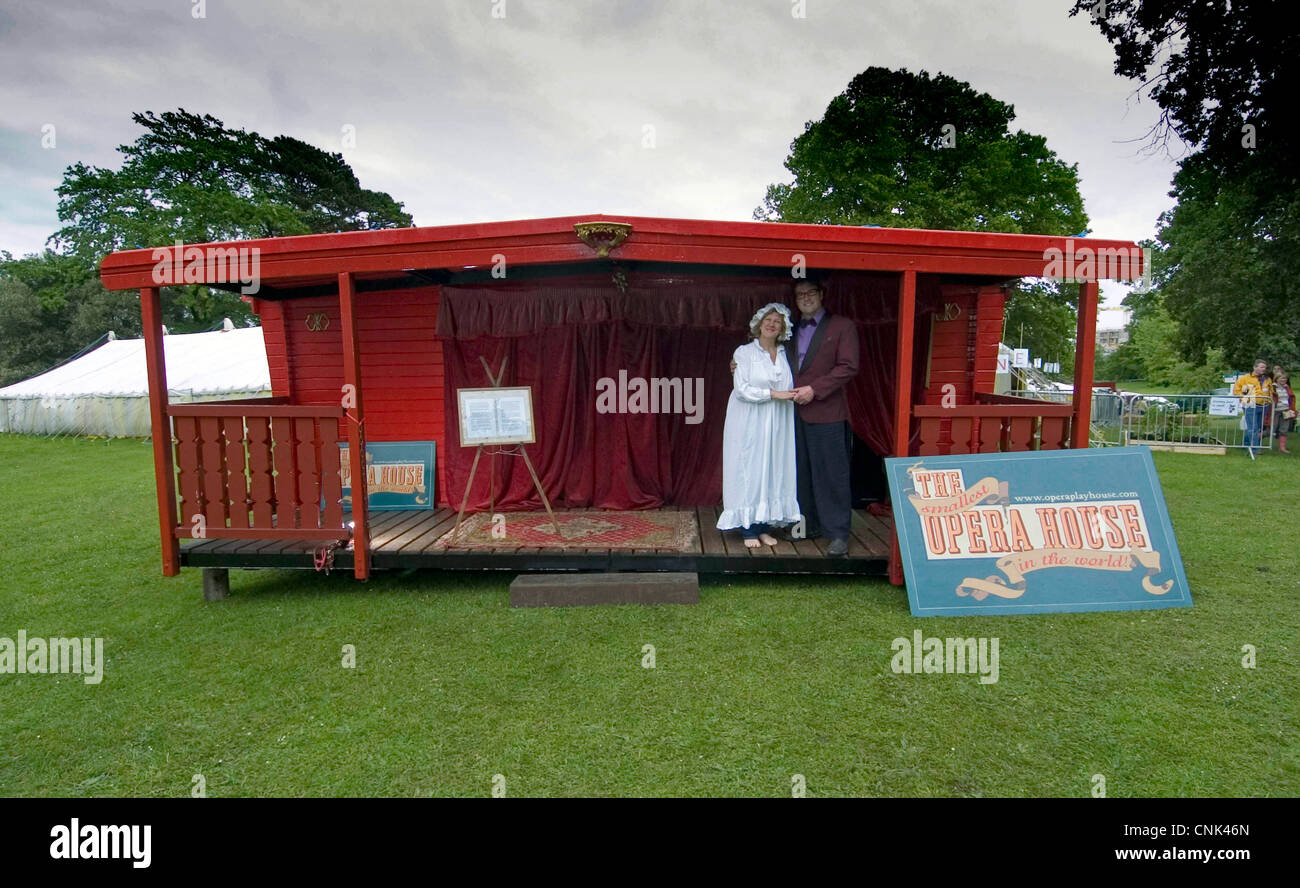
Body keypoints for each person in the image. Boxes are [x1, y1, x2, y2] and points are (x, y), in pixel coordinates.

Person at [717, 303, 803, 548]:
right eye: (768, 319)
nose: (772, 323)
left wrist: (784, 396)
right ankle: (748, 527)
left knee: (773, 470)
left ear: (782, 328)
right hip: (749, 421)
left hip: (777, 423)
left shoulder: (786, 354)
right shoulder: (744, 353)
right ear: (759, 324)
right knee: (750, 470)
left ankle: (764, 526)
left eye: (777, 321)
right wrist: (776, 394)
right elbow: (742, 389)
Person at [1233, 359, 1274, 457]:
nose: (1263, 369)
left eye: (1264, 367)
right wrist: (1243, 397)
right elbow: (1237, 390)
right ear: (1254, 367)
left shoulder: (1267, 379)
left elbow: (1270, 390)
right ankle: (1255, 448)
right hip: (1250, 405)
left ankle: (1246, 444)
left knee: (1257, 427)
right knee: (1253, 427)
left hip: (1264, 405)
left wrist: (1269, 399)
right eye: (1261, 367)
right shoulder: (1245, 378)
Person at [1273, 370, 1295, 454]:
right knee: (1271, 429)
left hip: (1286, 410)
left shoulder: (1287, 387)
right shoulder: (1273, 387)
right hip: (1276, 411)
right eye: (1282, 378)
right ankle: (1255, 441)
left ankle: (1282, 447)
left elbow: (1291, 398)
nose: (1283, 380)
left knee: (1284, 429)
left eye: (1285, 378)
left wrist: (1292, 409)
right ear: (1277, 379)